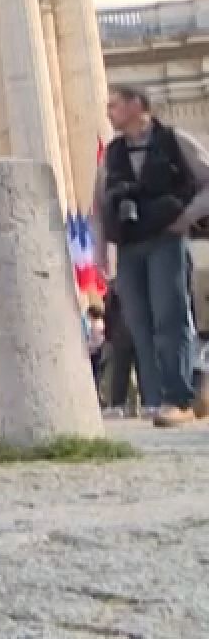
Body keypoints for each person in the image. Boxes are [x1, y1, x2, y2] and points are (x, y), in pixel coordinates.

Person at [94, 84, 209, 428]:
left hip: (165, 239)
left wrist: (187, 216)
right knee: (138, 324)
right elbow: (98, 205)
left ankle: (180, 397)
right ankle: (155, 397)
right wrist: (101, 250)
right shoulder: (112, 154)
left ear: (136, 105)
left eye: (114, 105)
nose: (109, 111)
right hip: (129, 245)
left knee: (169, 318)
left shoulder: (174, 141)